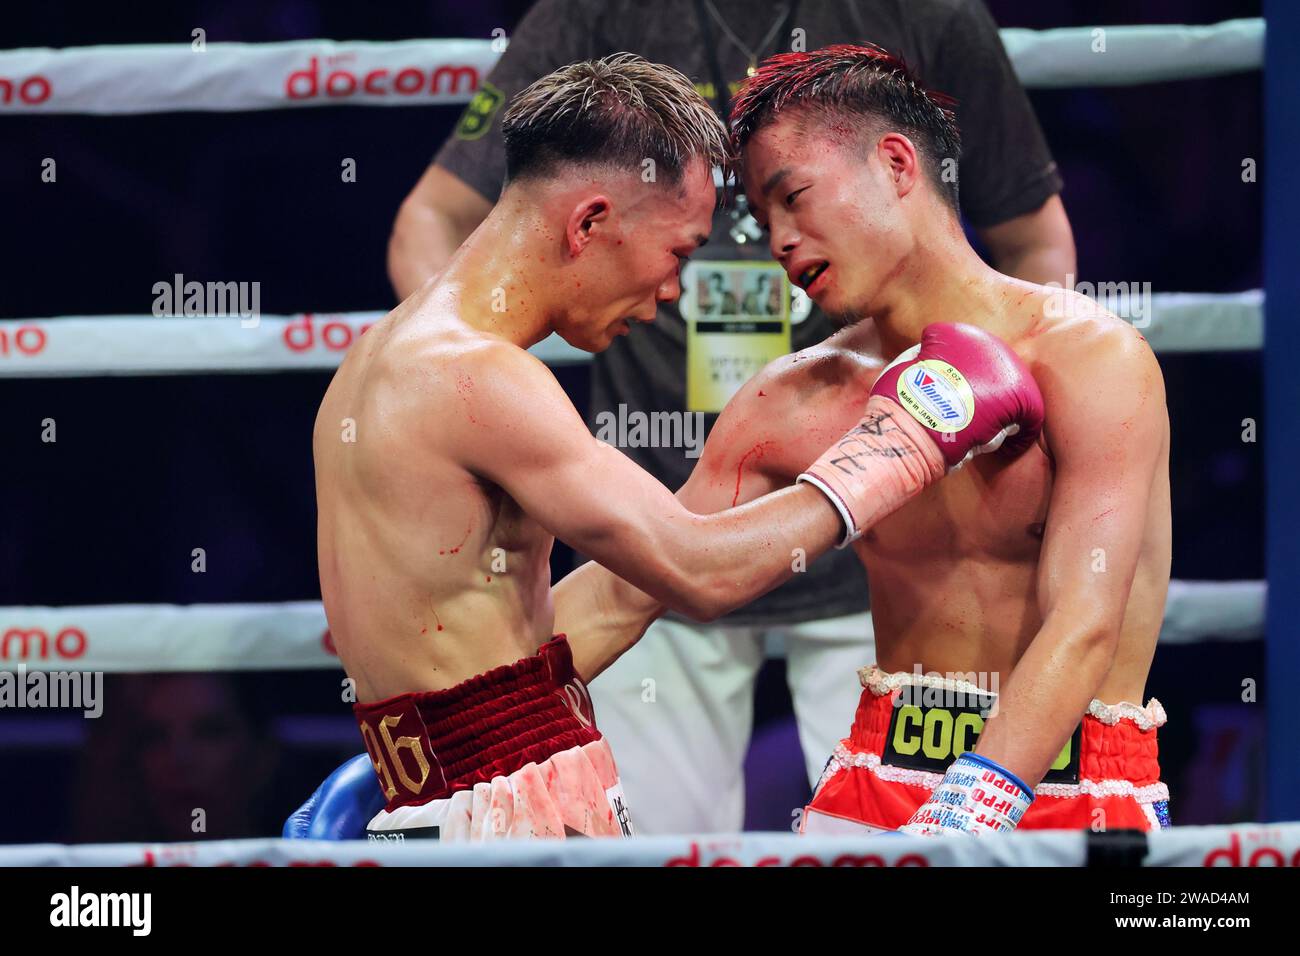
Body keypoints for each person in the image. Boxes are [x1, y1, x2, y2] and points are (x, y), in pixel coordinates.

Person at [312, 53, 1045, 841]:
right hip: (503, 818)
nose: (672, 296)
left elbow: (603, 602)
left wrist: (425, 754)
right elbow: (696, 569)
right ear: (589, 223)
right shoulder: (477, 378)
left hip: (459, 788)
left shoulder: (382, 357)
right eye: (678, 254)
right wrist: (903, 444)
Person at [554, 44, 1171, 835]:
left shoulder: (1091, 359)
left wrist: (971, 809)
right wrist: (452, 705)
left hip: (1073, 785)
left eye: (795, 197)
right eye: (762, 215)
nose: (777, 239)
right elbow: (630, 587)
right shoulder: (790, 401)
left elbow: (1087, 624)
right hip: (879, 779)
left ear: (895, 163)